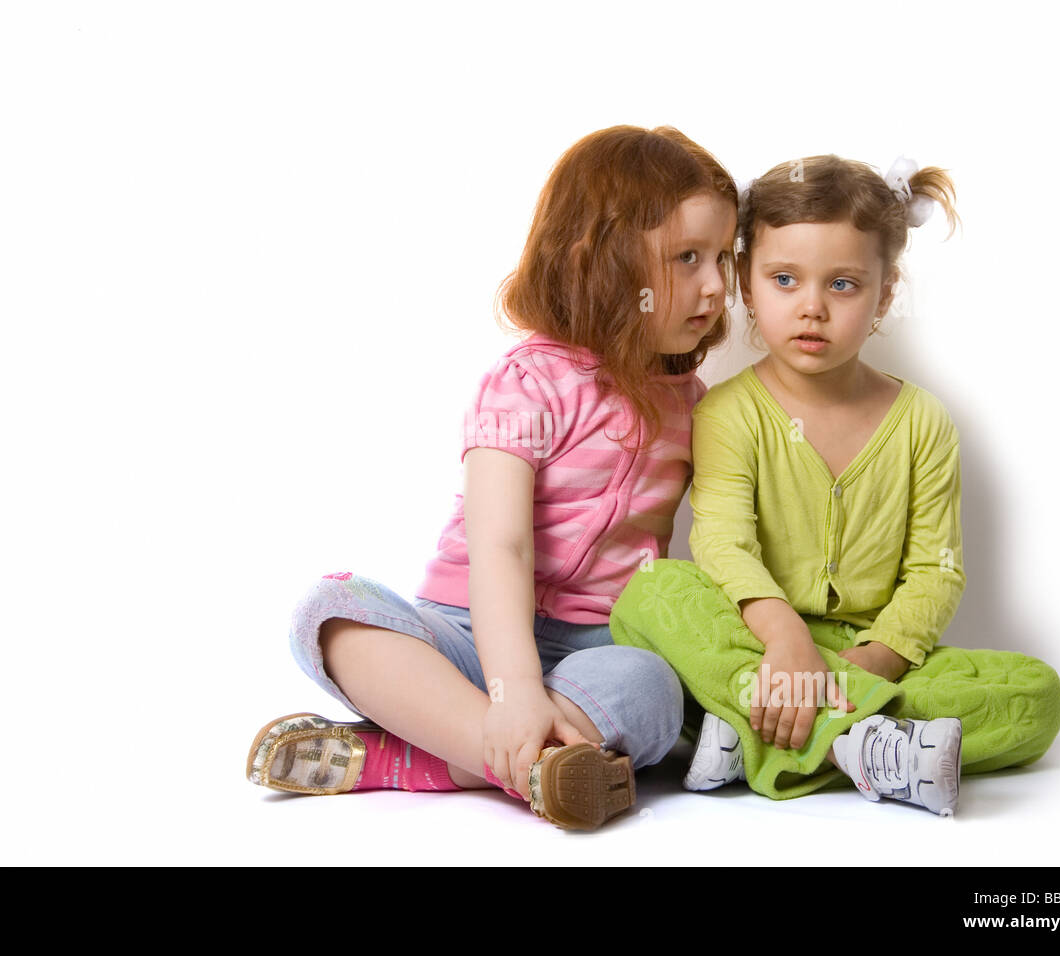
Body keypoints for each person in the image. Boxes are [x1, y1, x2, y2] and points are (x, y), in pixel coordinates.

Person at [246, 125, 741, 829]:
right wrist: (510, 691)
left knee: (654, 686)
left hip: (594, 652)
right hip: (465, 634)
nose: (717, 285)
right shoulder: (524, 383)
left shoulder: (698, 409)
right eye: (687, 258)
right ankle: (529, 759)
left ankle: (413, 760)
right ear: (601, 262)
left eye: (724, 257)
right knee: (328, 611)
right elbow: (500, 547)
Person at [610, 154, 1060, 816]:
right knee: (654, 592)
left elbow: (935, 573)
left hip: (872, 655)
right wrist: (788, 641)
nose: (812, 308)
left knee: (1037, 695)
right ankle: (858, 744)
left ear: (884, 294)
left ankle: (752, 732)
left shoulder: (924, 423)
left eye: (844, 285)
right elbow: (723, 545)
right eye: (785, 279)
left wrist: (872, 661)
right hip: (758, 641)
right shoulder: (726, 413)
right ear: (745, 282)